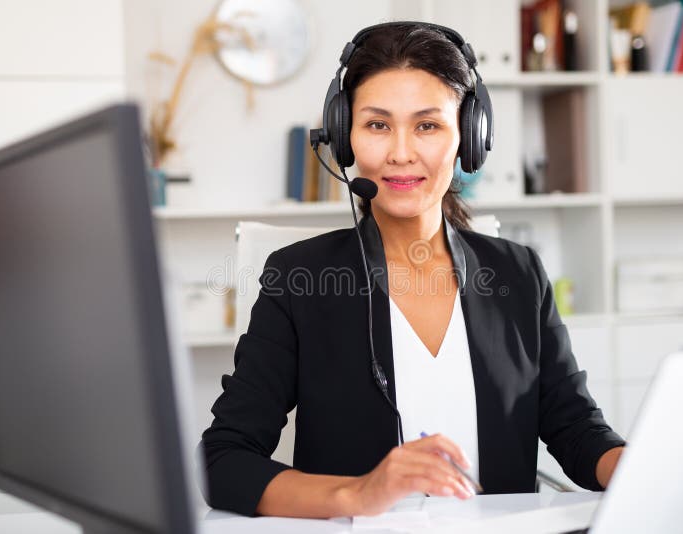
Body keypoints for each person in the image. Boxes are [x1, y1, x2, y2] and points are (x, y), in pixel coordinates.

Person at [199, 21, 625, 519]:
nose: (401, 153)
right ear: (344, 136)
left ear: (469, 135)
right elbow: (223, 460)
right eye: (378, 125)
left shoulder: (518, 273)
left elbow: (576, 430)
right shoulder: (299, 279)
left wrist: (640, 466)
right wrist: (354, 495)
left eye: (427, 125)